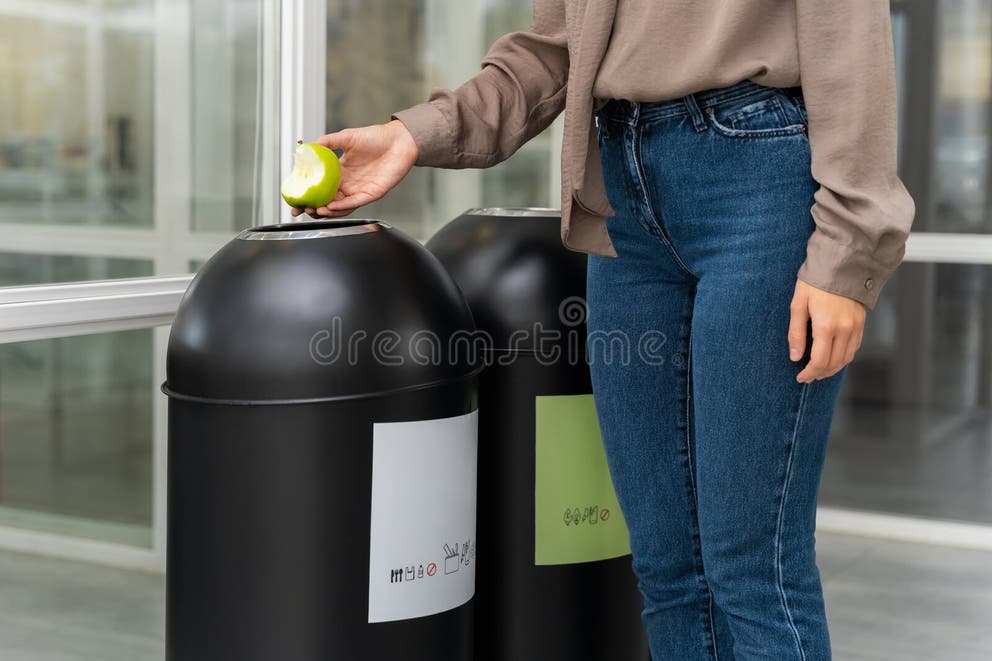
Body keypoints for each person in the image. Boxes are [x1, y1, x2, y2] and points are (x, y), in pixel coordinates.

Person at [290, 2, 915, 659]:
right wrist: (412, 134)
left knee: (753, 568)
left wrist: (850, 245)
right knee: (667, 565)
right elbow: (551, 53)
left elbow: (848, 39)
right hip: (621, 192)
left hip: (759, 177)